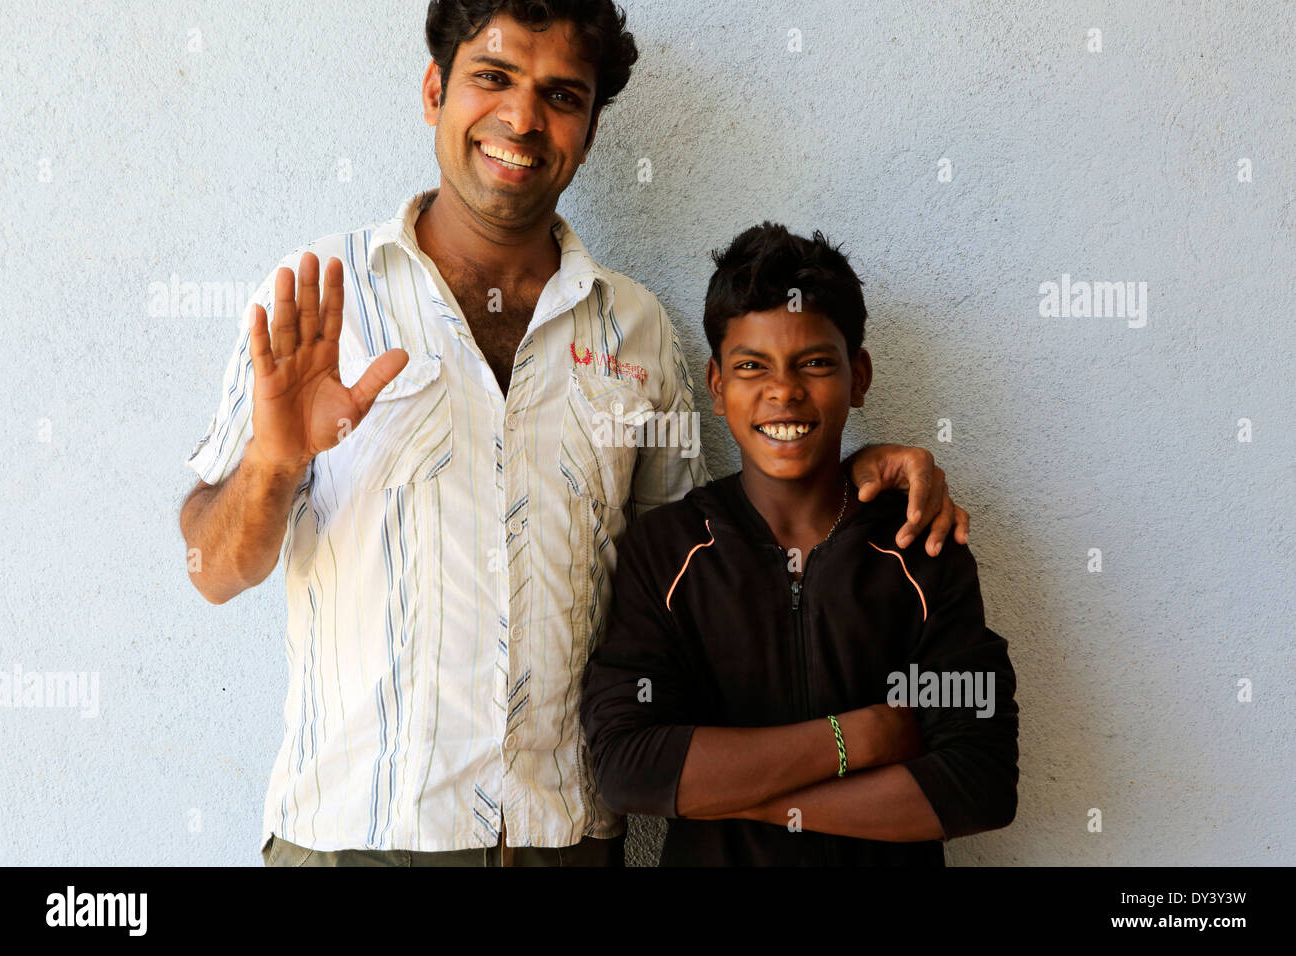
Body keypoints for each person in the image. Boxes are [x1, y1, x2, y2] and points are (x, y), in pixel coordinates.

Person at [179, 1, 970, 867]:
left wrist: (852, 470)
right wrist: (275, 459)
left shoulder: (635, 329)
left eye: (561, 95)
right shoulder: (323, 302)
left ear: (589, 134)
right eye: (492, 77)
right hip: (353, 840)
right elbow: (214, 572)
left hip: (568, 842)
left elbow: (702, 561)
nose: (521, 119)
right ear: (435, 88)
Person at [580, 223, 1017, 865]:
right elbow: (627, 767)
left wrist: (729, 792)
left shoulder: (921, 546)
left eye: (814, 363)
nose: (783, 391)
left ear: (858, 376)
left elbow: (978, 784)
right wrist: (858, 738)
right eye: (752, 366)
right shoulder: (667, 551)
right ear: (718, 384)